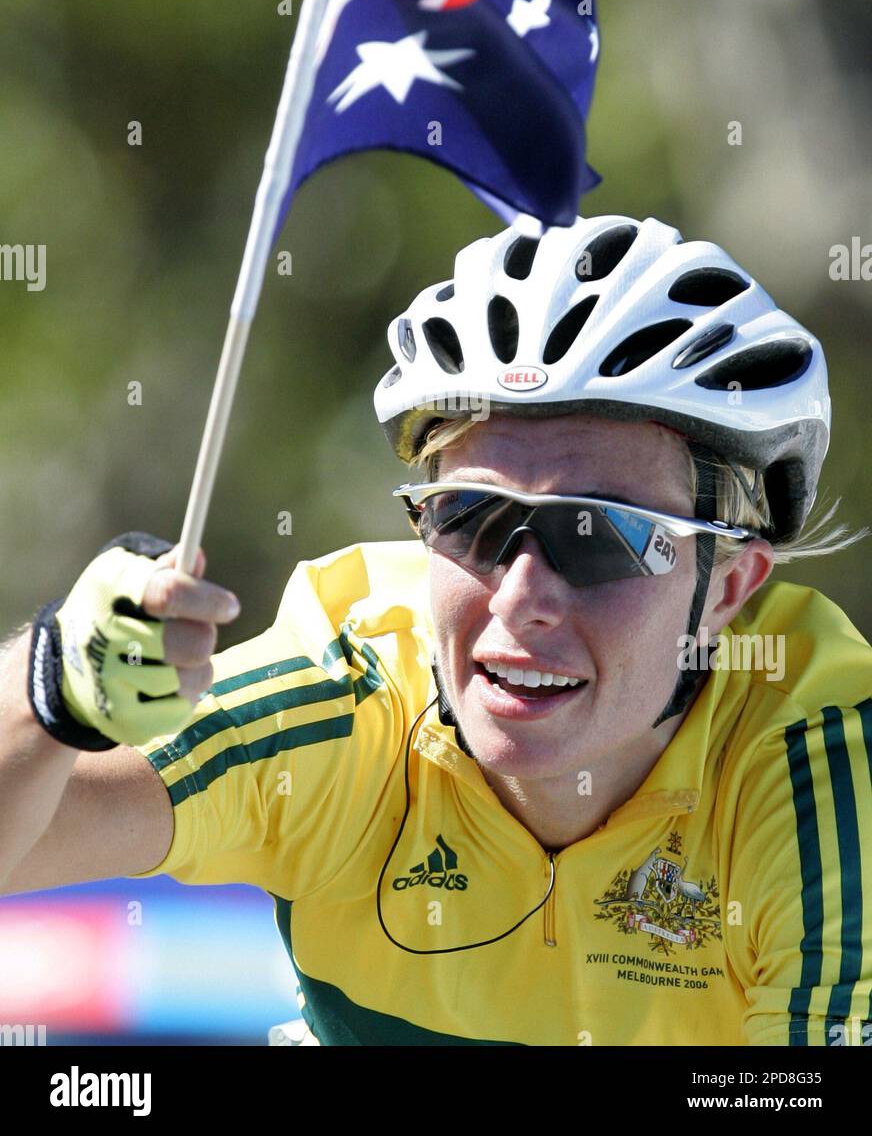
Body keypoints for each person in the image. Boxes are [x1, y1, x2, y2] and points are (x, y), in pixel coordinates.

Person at [1, 212, 870, 1047]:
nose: (520, 596)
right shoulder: (351, 697)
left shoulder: (823, 770)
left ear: (728, 586)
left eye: (599, 534)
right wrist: (48, 694)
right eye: (469, 518)